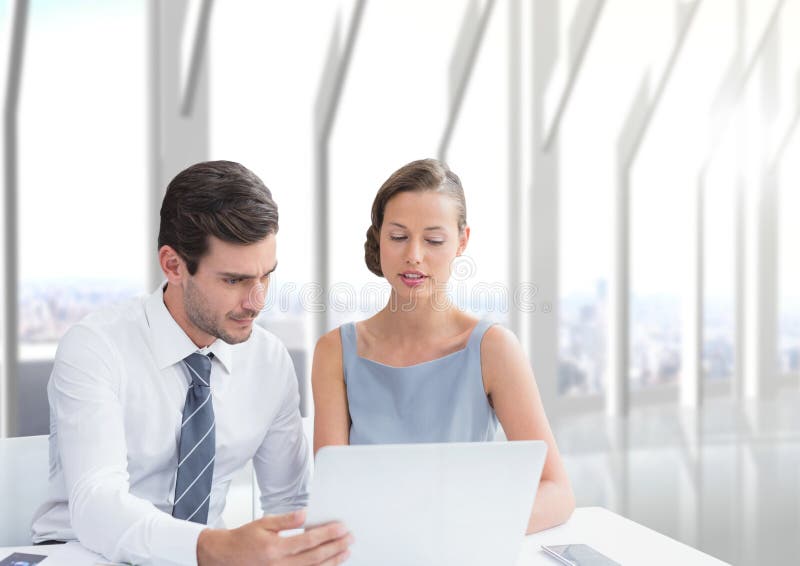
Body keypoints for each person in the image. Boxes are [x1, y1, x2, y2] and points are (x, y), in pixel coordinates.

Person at [31, 161, 352, 565]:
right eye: (233, 280)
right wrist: (212, 548)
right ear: (173, 265)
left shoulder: (268, 360)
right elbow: (97, 506)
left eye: (266, 276)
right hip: (84, 553)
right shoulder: (96, 347)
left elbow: (289, 502)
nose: (257, 301)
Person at [312, 158, 575, 533]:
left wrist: (468, 526)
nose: (414, 255)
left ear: (462, 241)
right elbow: (332, 494)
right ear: (379, 238)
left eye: (434, 240)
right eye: (398, 237)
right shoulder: (335, 352)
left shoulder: (492, 349)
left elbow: (557, 492)